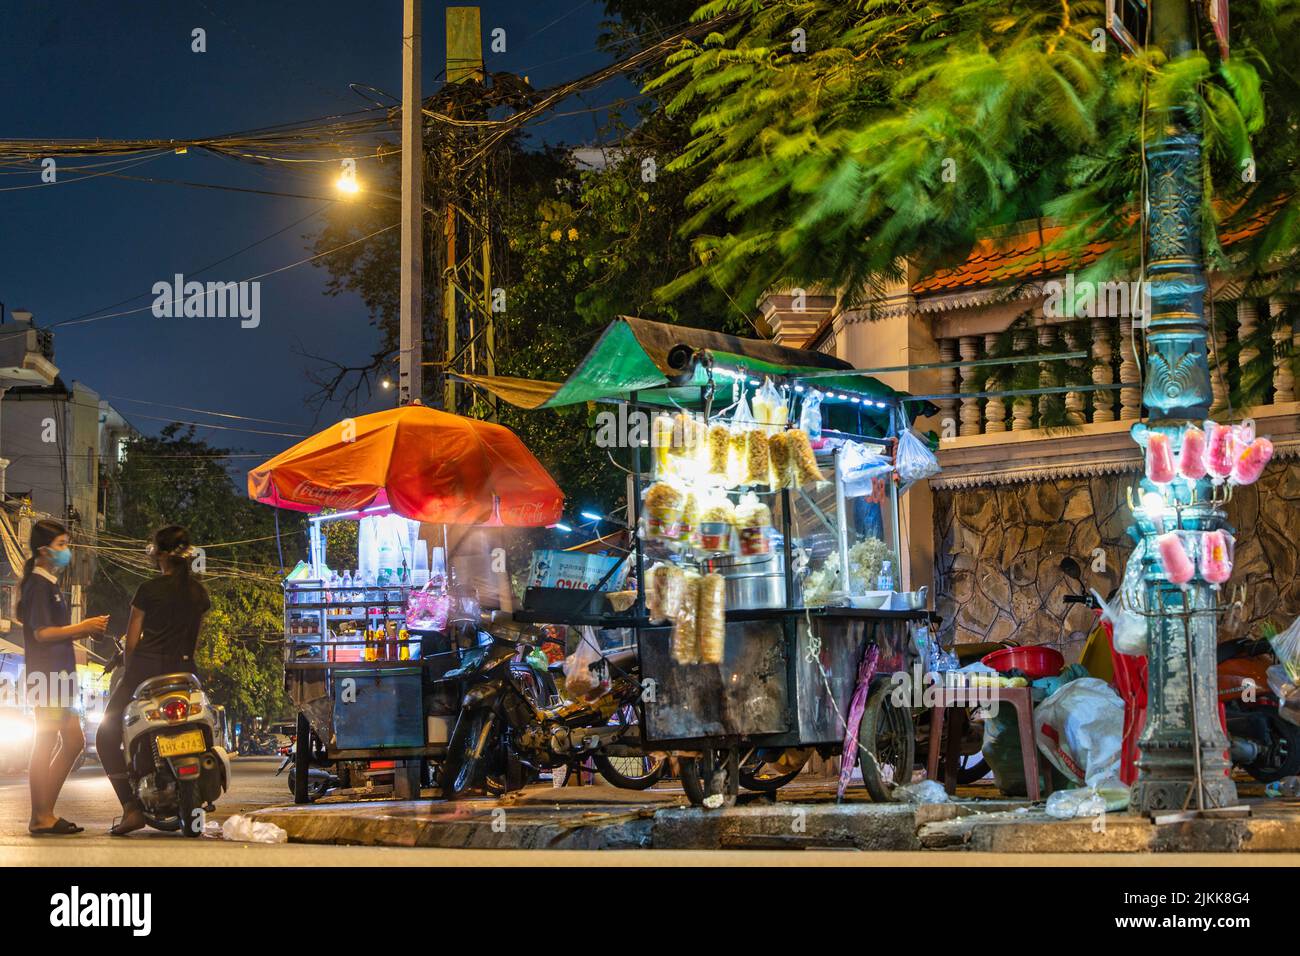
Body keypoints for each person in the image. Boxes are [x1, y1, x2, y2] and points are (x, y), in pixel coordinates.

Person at [97, 525, 211, 836]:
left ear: (158, 553)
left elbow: (132, 643)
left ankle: (131, 809)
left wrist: (130, 674)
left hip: (145, 674)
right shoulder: (200, 593)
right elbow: (194, 641)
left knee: (105, 736)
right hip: (186, 675)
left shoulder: (147, 590)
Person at [20, 519, 110, 835]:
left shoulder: (49, 584)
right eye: (61, 545)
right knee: (46, 741)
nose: (66, 551)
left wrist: (86, 631)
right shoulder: (37, 585)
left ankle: (44, 811)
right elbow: (42, 633)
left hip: (59, 677)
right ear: (44, 551)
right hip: (46, 678)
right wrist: (83, 627)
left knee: (72, 742)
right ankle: (40, 815)